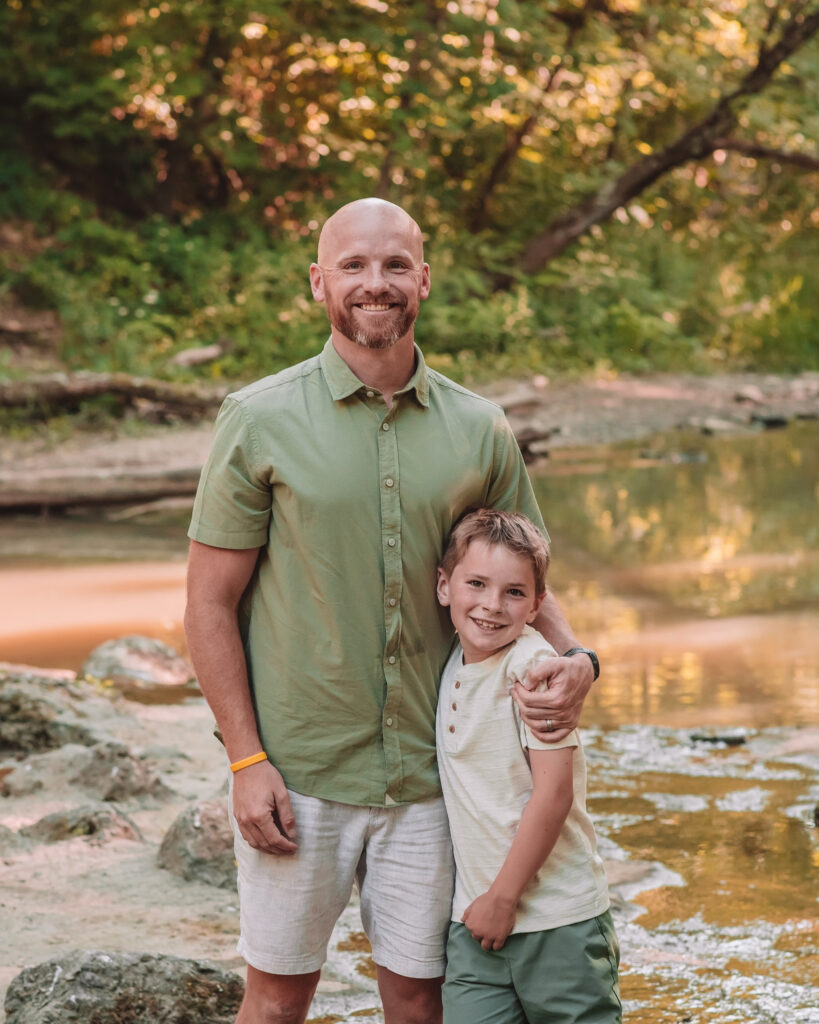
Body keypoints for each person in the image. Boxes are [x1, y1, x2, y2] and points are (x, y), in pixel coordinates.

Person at [184, 197, 600, 1024]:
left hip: (429, 775)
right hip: (297, 771)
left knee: (417, 999)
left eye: (394, 265)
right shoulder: (258, 419)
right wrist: (244, 761)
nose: (375, 284)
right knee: (274, 1001)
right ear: (318, 283)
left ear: (424, 279)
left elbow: (529, 580)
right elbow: (208, 604)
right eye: (353, 266)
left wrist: (580, 661)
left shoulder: (480, 428)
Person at [435, 508, 620, 1023]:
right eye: (476, 584)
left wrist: (504, 896)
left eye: (514, 593)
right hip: (474, 921)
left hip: (558, 920)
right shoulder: (452, 657)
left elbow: (553, 793)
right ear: (444, 586)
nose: (492, 606)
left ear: (538, 603)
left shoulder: (533, 671)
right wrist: (487, 903)